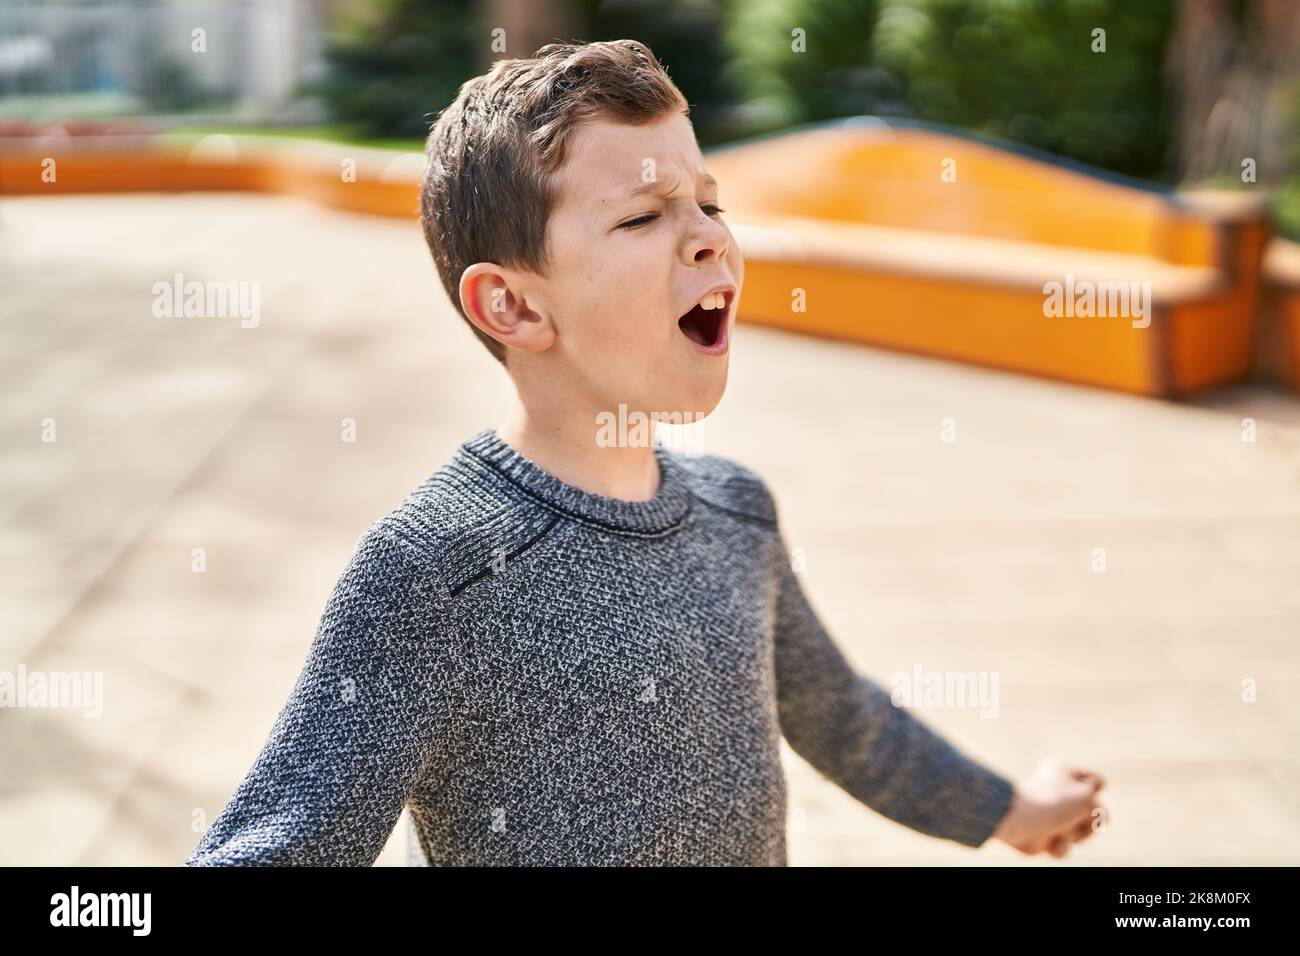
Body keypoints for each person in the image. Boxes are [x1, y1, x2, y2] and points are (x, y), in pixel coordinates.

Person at [184, 38, 1104, 866]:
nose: (710, 237)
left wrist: (1009, 810)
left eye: (708, 201)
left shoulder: (738, 511)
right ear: (514, 306)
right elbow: (285, 838)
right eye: (643, 218)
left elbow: (846, 722)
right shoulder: (432, 572)